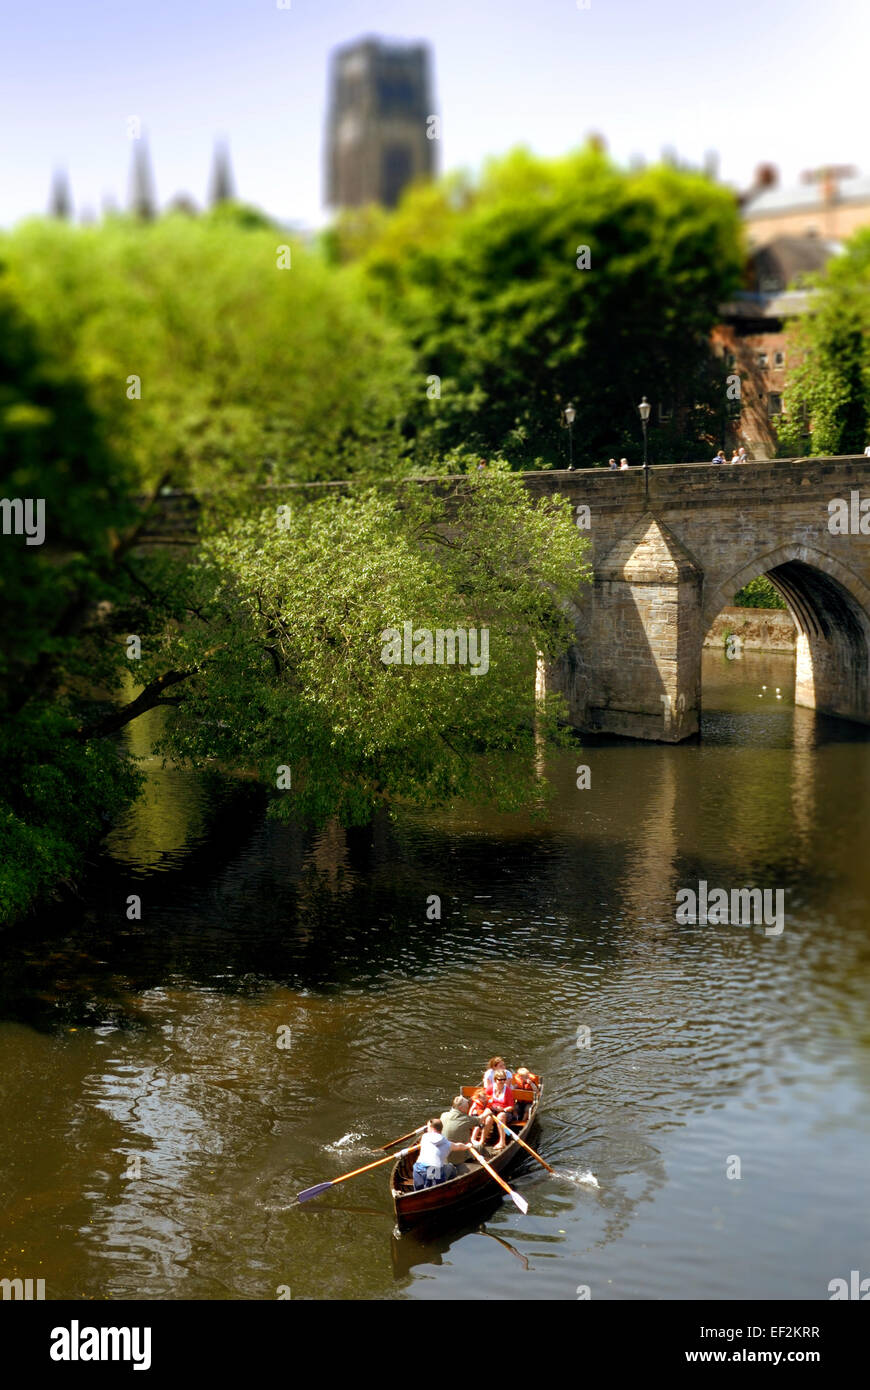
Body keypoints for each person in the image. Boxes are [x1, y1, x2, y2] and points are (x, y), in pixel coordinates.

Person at [412, 1118, 472, 1190]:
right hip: (433, 1169)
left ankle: (419, 1190)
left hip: (419, 1168)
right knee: (451, 1168)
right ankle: (437, 1188)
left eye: (427, 1127)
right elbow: (459, 1146)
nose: (426, 1129)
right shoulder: (448, 1144)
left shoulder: (424, 1137)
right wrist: (467, 1146)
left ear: (431, 1128)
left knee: (422, 1184)